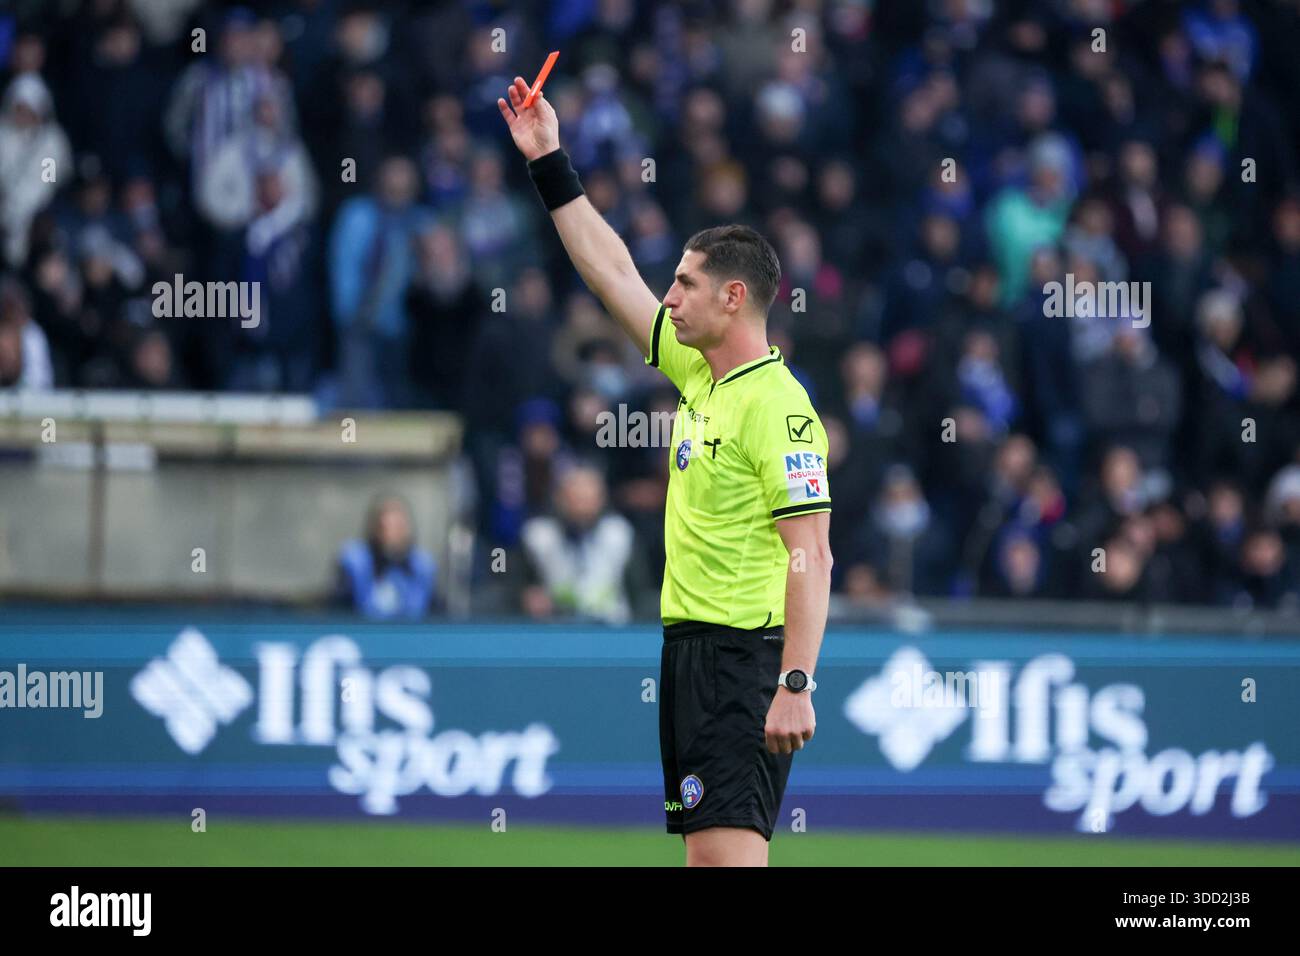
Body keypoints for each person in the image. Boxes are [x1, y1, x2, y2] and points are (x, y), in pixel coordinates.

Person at [499, 77, 833, 867]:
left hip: (740, 660)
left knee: (725, 864)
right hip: (688, 654)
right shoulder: (699, 373)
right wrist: (550, 159)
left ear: (735, 296)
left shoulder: (780, 408)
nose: (670, 297)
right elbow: (610, 272)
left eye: (686, 284)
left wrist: (795, 681)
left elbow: (811, 553)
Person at [335, 494, 437, 620]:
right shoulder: (356, 561)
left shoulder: (423, 565)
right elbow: (340, 609)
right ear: (374, 528)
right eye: (384, 527)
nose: (390, 534)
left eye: (397, 527)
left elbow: (434, 612)